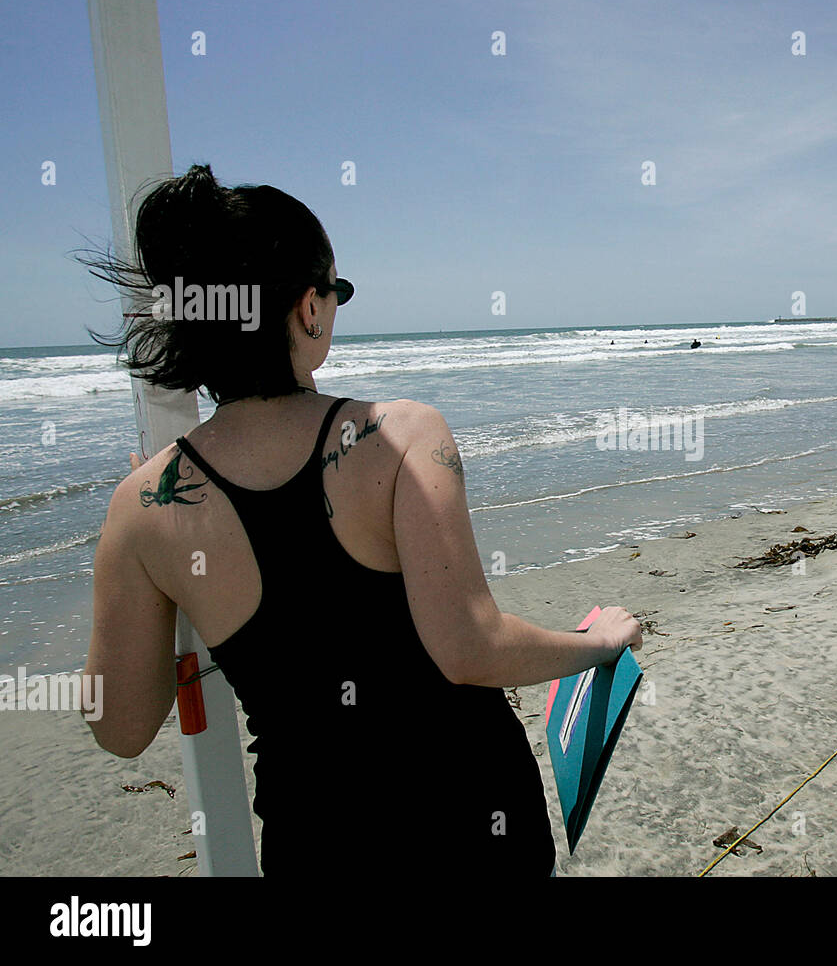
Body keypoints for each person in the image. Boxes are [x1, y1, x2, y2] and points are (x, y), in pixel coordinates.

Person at [78, 164, 642, 877]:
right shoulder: (400, 435)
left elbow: (121, 725)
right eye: (335, 292)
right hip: (471, 827)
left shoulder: (141, 505)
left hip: (317, 844)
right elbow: (469, 648)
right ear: (307, 308)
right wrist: (595, 643)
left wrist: (149, 530)